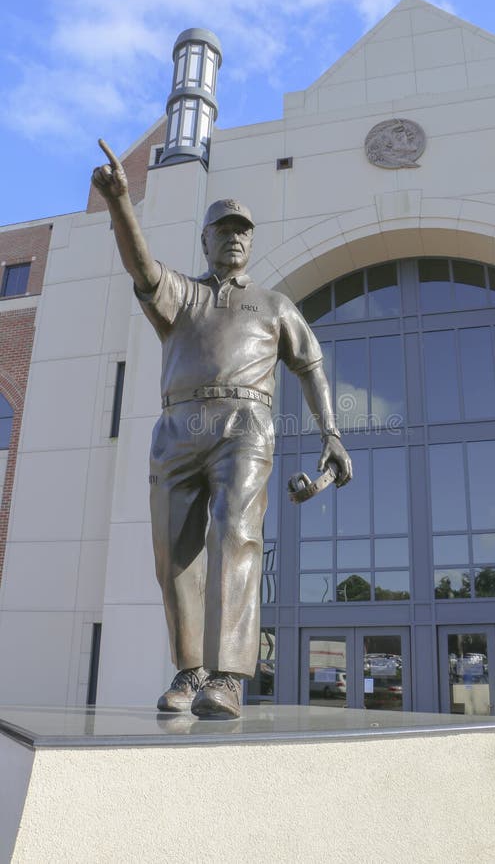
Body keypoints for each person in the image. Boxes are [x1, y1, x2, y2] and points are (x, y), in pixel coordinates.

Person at [91, 140, 352, 718]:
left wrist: (330, 432)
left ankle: (228, 677)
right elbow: (140, 265)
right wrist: (120, 203)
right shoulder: (180, 296)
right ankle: (191, 669)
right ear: (205, 241)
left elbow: (310, 366)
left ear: (250, 241)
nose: (234, 236)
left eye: (243, 230)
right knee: (173, 554)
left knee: (236, 534)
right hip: (178, 426)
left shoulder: (274, 304)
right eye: (223, 229)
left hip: (246, 423)